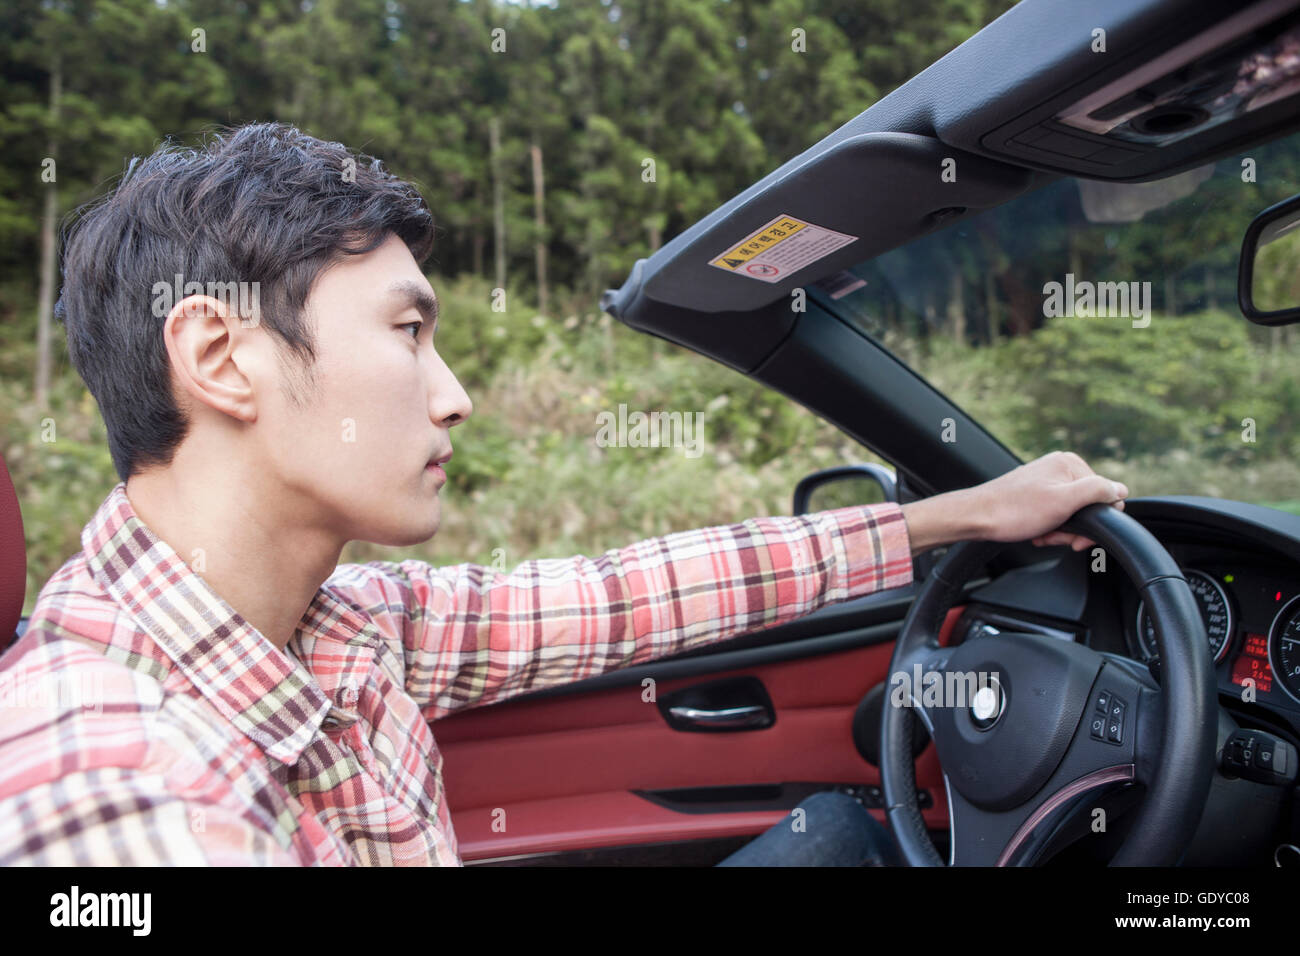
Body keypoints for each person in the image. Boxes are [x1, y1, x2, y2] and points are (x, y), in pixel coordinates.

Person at [0, 122, 1127, 866]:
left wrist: (957, 515)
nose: (454, 399)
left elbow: (622, 596)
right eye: (407, 330)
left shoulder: (332, 625)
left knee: (834, 831)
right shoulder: (115, 785)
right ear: (223, 356)